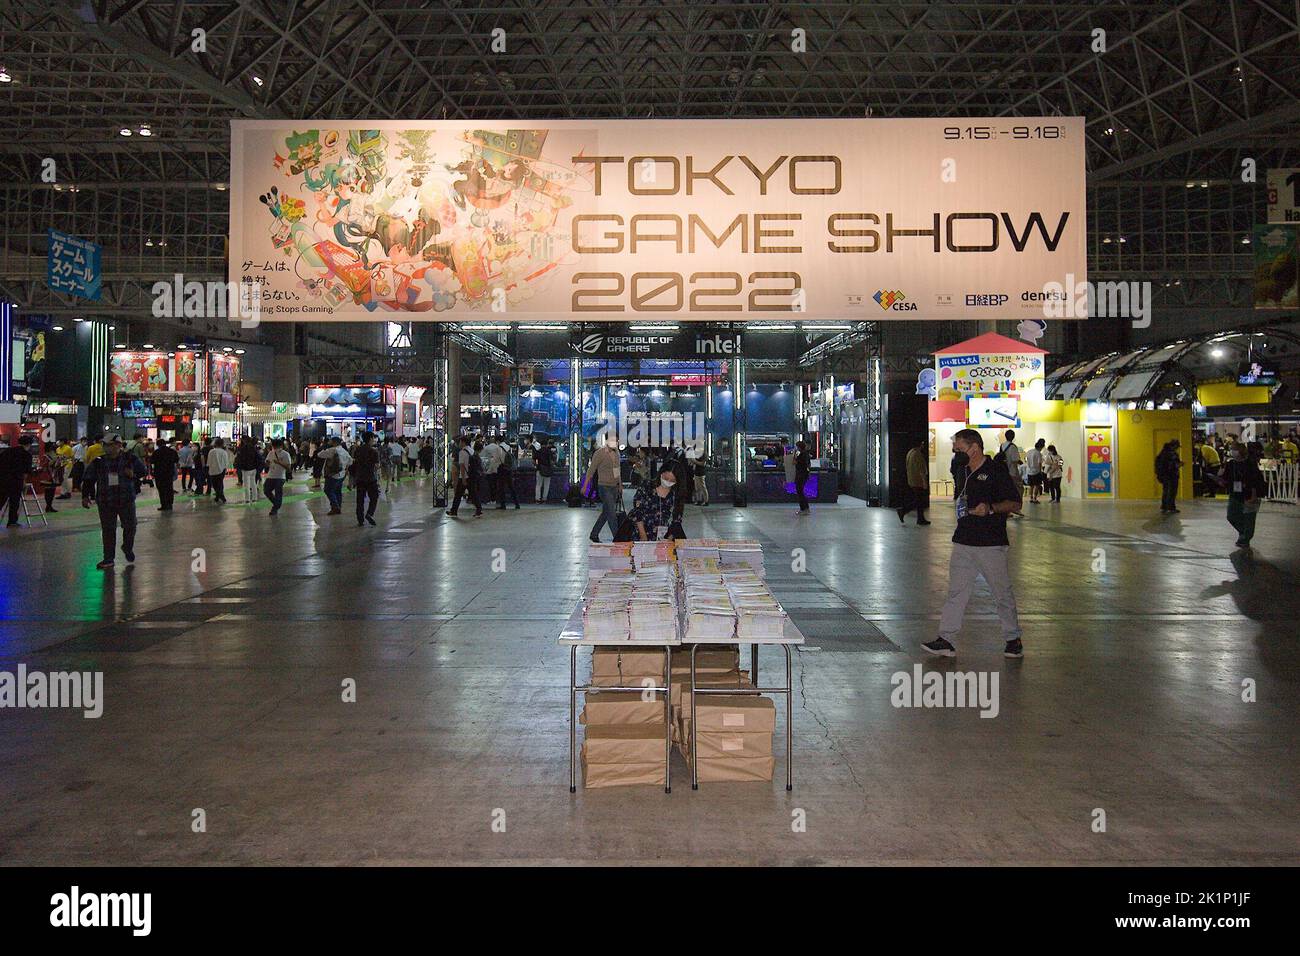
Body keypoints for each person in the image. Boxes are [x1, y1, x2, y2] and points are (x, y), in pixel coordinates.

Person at [923, 428, 1024, 659]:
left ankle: (1013, 638)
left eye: (959, 449)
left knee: (1001, 592)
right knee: (956, 592)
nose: (955, 453)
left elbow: (1015, 504)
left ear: (974, 448)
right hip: (964, 541)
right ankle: (946, 638)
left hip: (990, 543)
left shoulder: (995, 471)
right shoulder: (962, 470)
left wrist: (990, 509)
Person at [81, 435, 148, 569]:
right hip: (106, 500)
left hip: (126, 499)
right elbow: (89, 479)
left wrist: (132, 474)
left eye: (109, 445)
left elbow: (143, 472)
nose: (106, 447)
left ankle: (127, 547)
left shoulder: (130, 459)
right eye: (104, 445)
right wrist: (85, 496)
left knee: (130, 526)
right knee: (108, 530)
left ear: (118, 445)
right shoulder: (99, 461)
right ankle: (108, 558)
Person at [1223, 441, 1268, 552]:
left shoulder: (1250, 463)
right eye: (1231, 449)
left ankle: (1245, 539)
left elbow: (1255, 480)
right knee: (1231, 515)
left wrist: (1254, 495)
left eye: (1234, 449)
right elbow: (1225, 478)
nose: (1232, 451)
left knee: (1249, 518)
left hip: (1250, 494)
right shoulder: (1230, 464)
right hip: (1235, 494)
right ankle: (1243, 533)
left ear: (1240, 451)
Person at [586, 432, 623, 542]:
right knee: (611, 513)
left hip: (614, 487)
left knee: (606, 512)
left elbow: (617, 471)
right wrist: (585, 485)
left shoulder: (616, 453)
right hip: (604, 486)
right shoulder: (599, 453)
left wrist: (620, 485)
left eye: (616, 441)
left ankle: (594, 534)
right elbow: (591, 469)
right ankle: (618, 537)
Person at [629, 464, 679, 540]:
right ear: (661, 473)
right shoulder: (646, 486)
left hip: (663, 535)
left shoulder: (674, 494)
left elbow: (676, 518)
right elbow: (637, 511)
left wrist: (670, 535)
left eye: (672, 480)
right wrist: (642, 534)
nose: (668, 482)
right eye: (666, 478)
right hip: (641, 532)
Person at [0, 435, 34, 526]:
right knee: (14, 501)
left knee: (1, 499)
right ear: (29, 444)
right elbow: (26, 471)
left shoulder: (8, 451)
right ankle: (12, 521)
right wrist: (23, 481)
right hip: (16, 480)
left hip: (3, 479)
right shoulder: (27, 455)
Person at [447, 435, 482, 517]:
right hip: (472, 475)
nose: (459, 443)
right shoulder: (471, 450)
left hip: (464, 476)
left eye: (460, 441)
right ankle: (478, 509)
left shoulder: (462, 452)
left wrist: (463, 479)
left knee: (458, 495)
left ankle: (454, 511)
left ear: (463, 442)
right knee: (473, 494)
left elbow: (462, 466)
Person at [897, 437, 930, 525]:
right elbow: (921, 469)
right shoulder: (917, 454)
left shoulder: (910, 453)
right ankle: (904, 511)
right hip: (918, 480)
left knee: (918, 500)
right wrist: (924, 482)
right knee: (919, 500)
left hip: (912, 479)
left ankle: (920, 518)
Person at [352, 432, 381, 526]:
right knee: (374, 497)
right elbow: (376, 466)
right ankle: (369, 514)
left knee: (360, 500)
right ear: (370, 439)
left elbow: (355, 464)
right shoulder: (373, 451)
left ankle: (360, 520)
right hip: (370, 478)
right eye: (373, 438)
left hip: (360, 478)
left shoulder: (358, 450)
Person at [317, 436, 351, 515]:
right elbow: (350, 461)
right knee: (338, 491)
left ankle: (335, 507)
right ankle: (338, 507)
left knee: (328, 490)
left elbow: (319, 454)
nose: (329, 442)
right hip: (341, 474)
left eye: (331, 441)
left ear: (334, 442)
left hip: (332, 474)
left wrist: (325, 448)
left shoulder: (332, 450)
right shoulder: (344, 451)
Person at [263, 437, 292, 516]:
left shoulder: (286, 454)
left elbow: (288, 467)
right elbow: (267, 463)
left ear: (280, 446)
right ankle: (277, 504)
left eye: (276, 447)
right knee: (266, 490)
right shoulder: (271, 453)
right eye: (273, 447)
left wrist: (279, 462)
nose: (275, 448)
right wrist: (267, 463)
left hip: (280, 477)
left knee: (278, 492)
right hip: (270, 475)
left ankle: (275, 508)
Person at [151, 437, 179, 511]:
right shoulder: (172, 451)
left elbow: (152, 461)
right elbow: (176, 460)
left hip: (159, 474)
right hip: (169, 473)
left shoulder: (156, 452)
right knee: (169, 488)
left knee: (161, 489)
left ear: (158, 445)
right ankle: (170, 504)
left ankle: (164, 505)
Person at [1155, 439, 1183, 514]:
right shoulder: (1171, 454)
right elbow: (1172, 465)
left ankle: (1164, 506)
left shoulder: (1163, 452)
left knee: (1166, 490)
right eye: (1177, 446)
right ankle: (1171, 507)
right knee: (1172, 491)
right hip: (1171, 475)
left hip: (1164, 475)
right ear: (1174, 446)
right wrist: (1179, 465)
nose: (1177, 448)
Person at [999, 429, 1023, 513]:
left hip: (1003, 472)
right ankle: (1016, 508)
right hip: (1012, 472)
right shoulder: (1013, 447)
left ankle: (1007, 510)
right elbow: (1014, 462)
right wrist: (1017, 475)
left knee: (1006, 491)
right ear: (1013, 437)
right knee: (1018, 489)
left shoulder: (1002, 445)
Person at [496, 439, 520, 510]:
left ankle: (503, 505)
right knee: (511, 487)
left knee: (501, 488)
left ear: (498, 441)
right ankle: (517, 504)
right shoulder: (508, 447)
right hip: (509, 469)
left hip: (502, 469)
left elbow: (497, 459)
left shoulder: (498, 448)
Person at [234, 436, 260, 503]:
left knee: (246, 485)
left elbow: (240, 458)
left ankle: (247, 499)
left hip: (246, 469)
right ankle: (254, 498)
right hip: (253, 468)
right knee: (253, 483)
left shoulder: (243, 448)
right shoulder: (254, 448)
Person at [206, 437, 231, 503]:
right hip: (221, 470)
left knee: (214, 484)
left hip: (212, 470)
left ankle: (219, 495)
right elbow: (226, 462)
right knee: (220, 483)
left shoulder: (211, 451)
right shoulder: (224, 452)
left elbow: (209, 462)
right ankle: (220, 495)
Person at [534, 436, 555, 503]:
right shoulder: (549, 452)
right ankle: (544, 499)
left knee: (538, 485)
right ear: (546, 444)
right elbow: (553, 461)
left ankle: (537, 499)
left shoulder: (538, 451)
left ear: (540, 444)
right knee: (546, 485)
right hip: (548, 470)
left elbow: (534, 460)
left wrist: (536, 465)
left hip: (540, 469)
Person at [793, 439, 811, 515]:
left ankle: (803, 508)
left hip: (800, 475)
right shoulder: (806, 454)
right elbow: (808, 465)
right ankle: (806, 508)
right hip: (805, 475)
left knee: (800, 492)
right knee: (801, 492)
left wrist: (794, 455)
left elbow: (794, 462)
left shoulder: (800, 455)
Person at [1025, 438, 1045, 503]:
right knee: (1037, 485)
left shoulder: (1029, 451)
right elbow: (1039, 463)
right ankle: (1035, 498)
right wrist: (1040, 471)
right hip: (1036, 471)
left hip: (1029, 471)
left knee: (1031, 486)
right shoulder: (1038, 453)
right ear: (1040, 447)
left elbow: (1026, 460)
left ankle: (1031, 498)